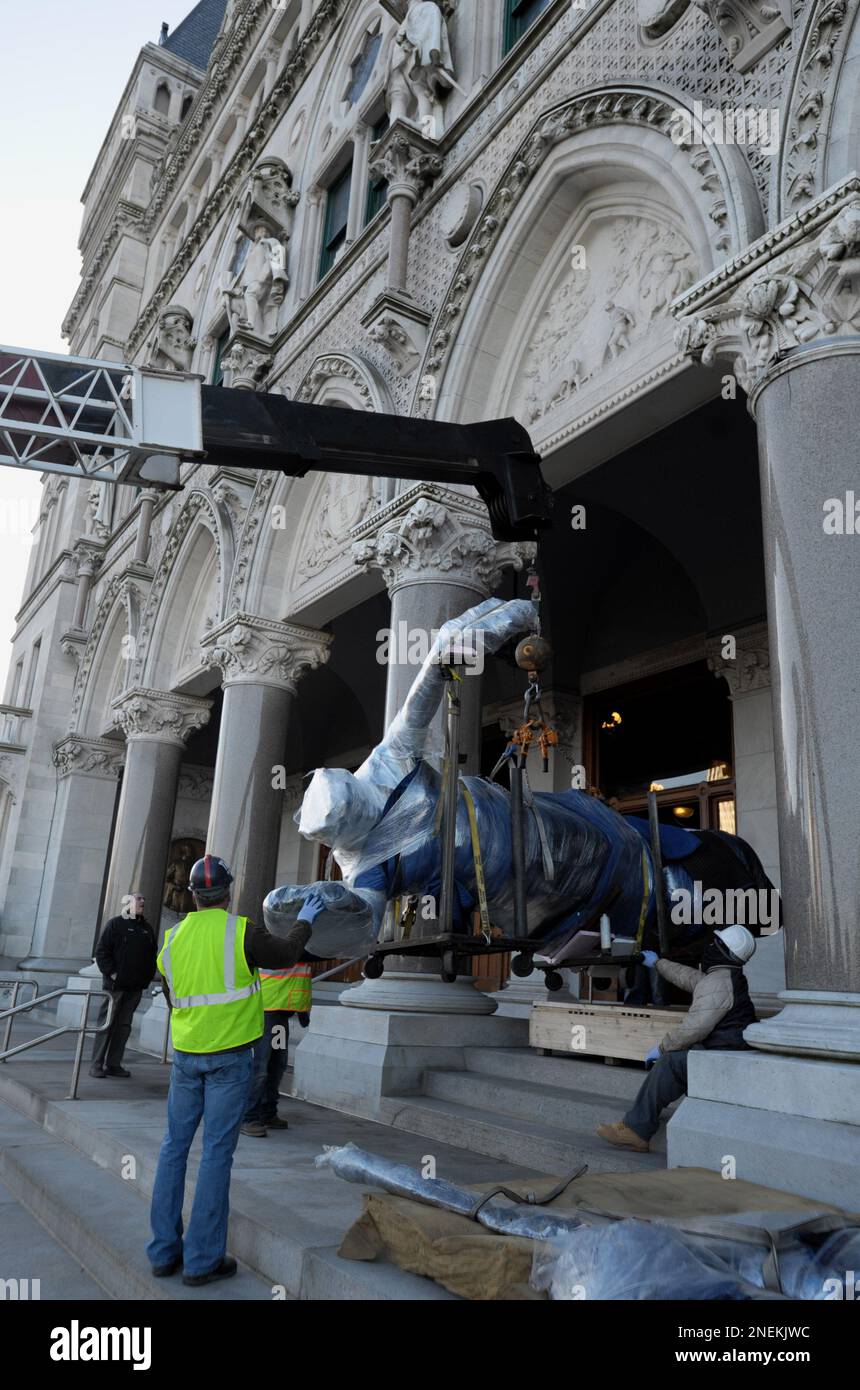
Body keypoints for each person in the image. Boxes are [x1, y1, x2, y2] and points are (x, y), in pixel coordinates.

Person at [146, 855, 325, 1287]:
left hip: (186, 1058)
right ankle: (203, 1261)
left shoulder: (170, 940)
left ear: (193, 896)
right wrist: (304, 919)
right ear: (228, 893)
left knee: (173, 1150)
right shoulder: (242, 931)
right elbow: (285, 955)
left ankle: (163, 1252)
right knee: (215, 1155)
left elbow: (172, 996)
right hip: (229, 1059)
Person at [596, 925, 758, 1154]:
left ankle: (636, 1131)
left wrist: (662, 1048)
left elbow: (694, 1028)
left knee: (670, 1063)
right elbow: (688, 977)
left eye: (716, 943)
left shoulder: (718, 984)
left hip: (722, 1059)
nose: (710, 946)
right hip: (725, 1051)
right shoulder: (724, 978)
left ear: (723, 950)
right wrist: (656, 963)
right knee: (678, 1058)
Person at [241, 937, 317, 1138]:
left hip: (280, 1014)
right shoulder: (286, 941)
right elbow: (313, 953)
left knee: (276, 1065)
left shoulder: (293, 941)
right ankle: (249, 1117)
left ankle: (267, 1112)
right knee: (261, 1068)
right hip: (268, 1012)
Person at [89, 894, 157, 1079]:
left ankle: (113, 1064)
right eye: (138, 899)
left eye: (144, 900)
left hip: (135, 988)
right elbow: (102, 951)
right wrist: (112, 973)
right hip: (114, 987)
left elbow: (152, 957)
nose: (143, 902)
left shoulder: (147, 929)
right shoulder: (115, 925)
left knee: (124, 1026)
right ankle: (96, 1064)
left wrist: (146, 978)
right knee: (106, 1024)